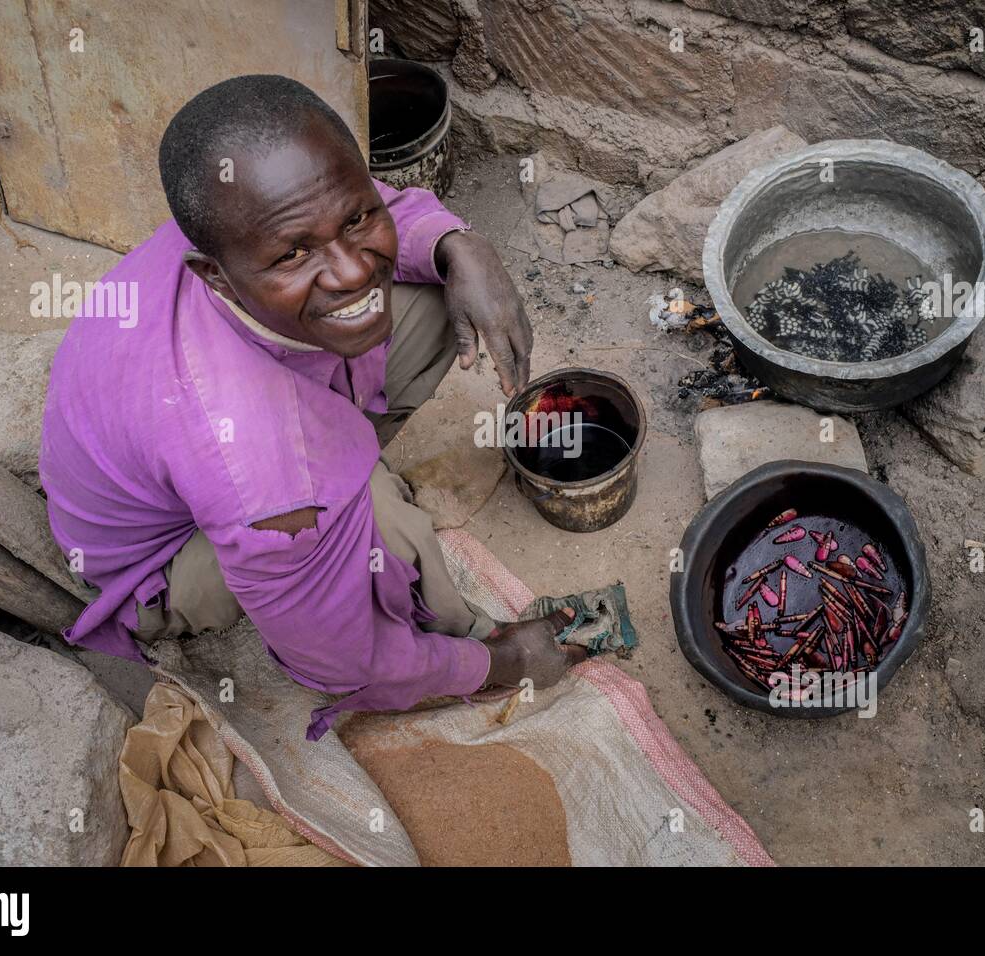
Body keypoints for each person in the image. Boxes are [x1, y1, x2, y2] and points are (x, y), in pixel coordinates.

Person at [41, 75, 583, 740]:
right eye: (294, 254)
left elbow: (381, 210)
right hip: (171, 560)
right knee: (382, 538)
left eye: (356, 220)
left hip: (203, 448)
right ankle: (342, 510)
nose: (352, 270)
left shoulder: (260, 209)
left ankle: (342, 459)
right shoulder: (260, 472)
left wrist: (462, 248)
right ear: (214, 275)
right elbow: (343, 665)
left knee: (433, 294)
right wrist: (503, 658)